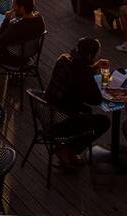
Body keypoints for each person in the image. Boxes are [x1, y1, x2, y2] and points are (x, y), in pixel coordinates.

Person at [42, 37, 112, 170]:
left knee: (86, 111)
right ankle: (67, 149)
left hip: (46, 109)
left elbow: (76, 75)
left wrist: (92, 68)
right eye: (97, 54)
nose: (98, 57)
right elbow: (96, 99)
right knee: (103, 122)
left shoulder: (63, 59)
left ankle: (66, 149)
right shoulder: (83, 71)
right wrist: (91, 73)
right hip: (62, 118)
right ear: (90, 55)